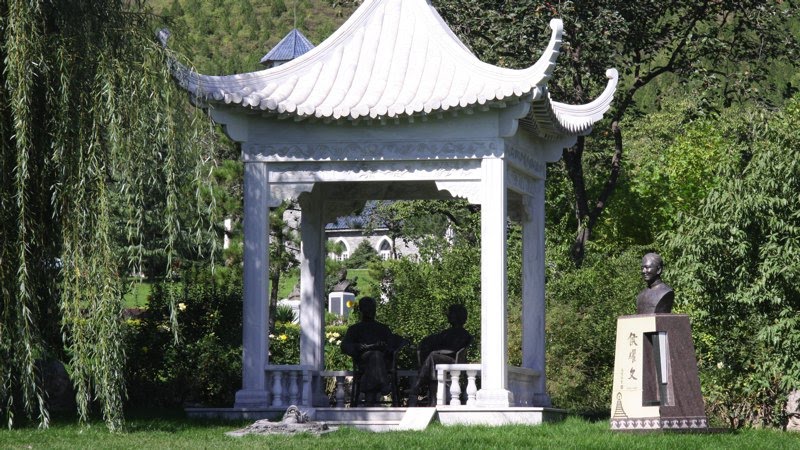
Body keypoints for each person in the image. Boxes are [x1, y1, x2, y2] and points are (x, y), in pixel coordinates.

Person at [341, 296, 402, 405]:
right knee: (375, 355)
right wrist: (357, 346)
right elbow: (345, 346)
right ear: (361, 310)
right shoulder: (355, 329)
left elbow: (392, 345)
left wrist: (384, 346)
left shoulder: (383, 328)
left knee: (376, 355)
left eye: (371, 308)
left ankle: (370, 400)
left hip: (381, 362)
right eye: (366, 308)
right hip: (363, 361)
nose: (369, 311)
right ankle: (383, 383)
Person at [411, 304, 472, 405]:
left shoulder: (463, 333)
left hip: (453, 360)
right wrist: (423, 344)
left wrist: (437, 352)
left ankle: (416, 386)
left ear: (458, 316)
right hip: (440, 359)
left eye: (451, 314)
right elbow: (434, 341)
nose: (448, 316)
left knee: (432, 357)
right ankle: (433, 401)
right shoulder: (447, 332)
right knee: (432, 364)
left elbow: (454, 350)